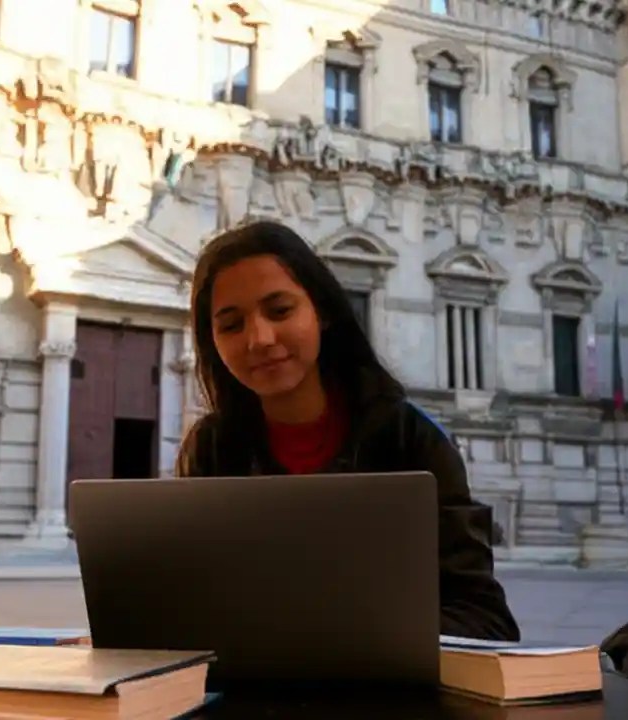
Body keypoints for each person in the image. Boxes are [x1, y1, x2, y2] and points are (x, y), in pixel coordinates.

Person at [175, 219, 520, 642]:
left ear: (322, 313)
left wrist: (358, 642)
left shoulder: (410, 439)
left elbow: (485, 618)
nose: (259, 338)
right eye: (231, 324)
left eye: (279, 310)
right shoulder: (210, 449)